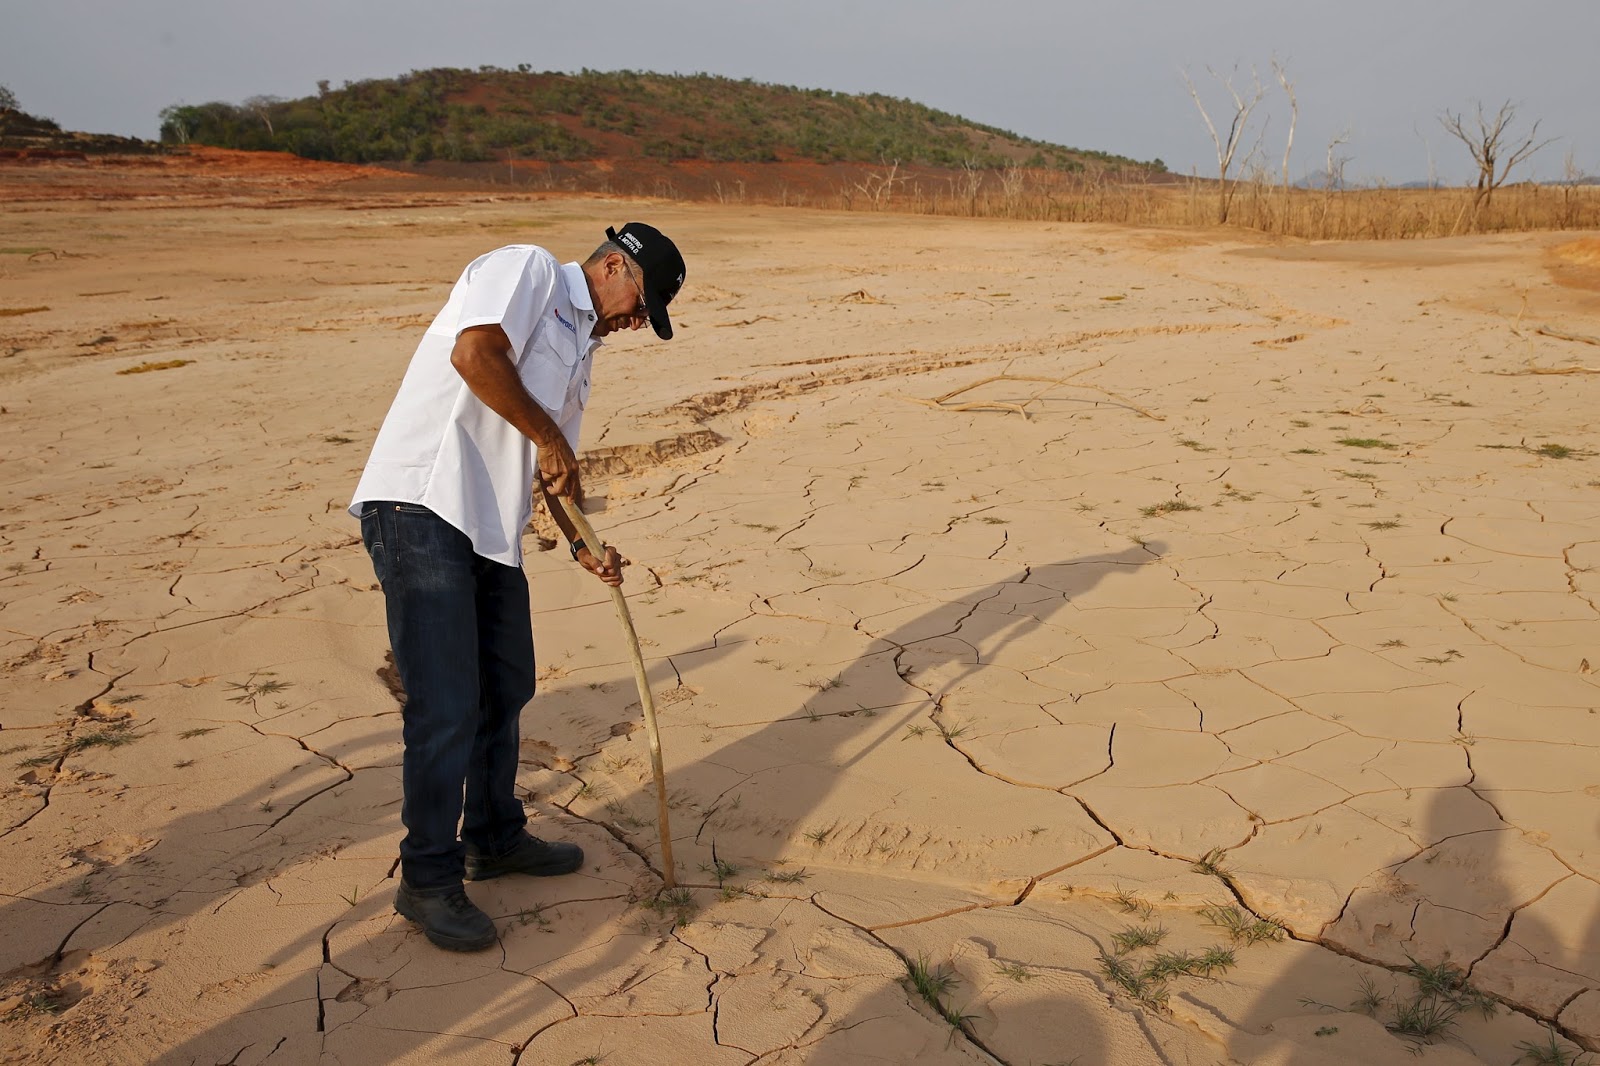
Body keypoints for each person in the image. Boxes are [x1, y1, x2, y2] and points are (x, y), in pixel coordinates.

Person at [349, 222, 687, 951]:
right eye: (641, 302)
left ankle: (494, 837)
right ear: (610, 266)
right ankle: (428, 879)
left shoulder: (583, 352)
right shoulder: (529, 272)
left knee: (507, 686)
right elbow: (476, 355)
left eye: (646, 317)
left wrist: (581, 543)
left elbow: (553, 469)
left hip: (489, 528)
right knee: (445, 704)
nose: (634, 322)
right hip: (422, 505)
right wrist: (550, 437)